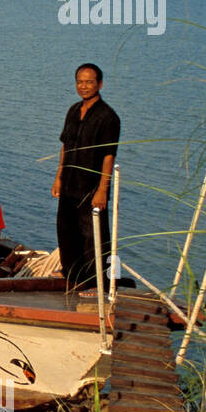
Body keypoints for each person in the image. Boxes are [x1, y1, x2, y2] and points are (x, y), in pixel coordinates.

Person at [52, 63, 120, 291]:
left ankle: (97, 283)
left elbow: (108, 156)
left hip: (91, 187)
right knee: (65, 230)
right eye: (80, 82)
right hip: (69, 182)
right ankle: (71, 274)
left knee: (94, 236)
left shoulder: (108, 117)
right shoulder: (73, 111)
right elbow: (65, 145)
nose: (84, 86)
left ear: (99, 84)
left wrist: (103, 189)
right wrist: (59, 176)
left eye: (89, 82)